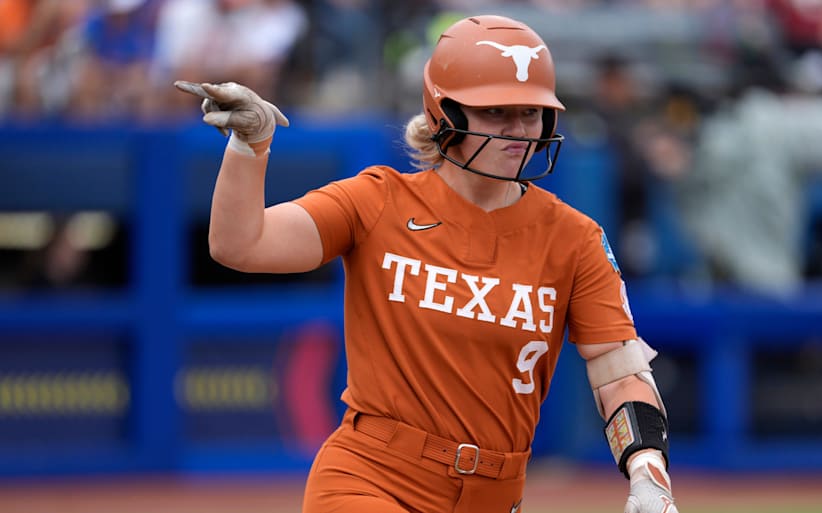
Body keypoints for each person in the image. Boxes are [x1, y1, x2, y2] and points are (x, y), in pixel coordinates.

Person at [176, 14, 679, 513]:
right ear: (446, 114)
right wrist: (248, 146)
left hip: (497, 494)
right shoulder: (377, 201)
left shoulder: (576, 238)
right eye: (496, 112)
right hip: (371, 478)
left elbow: (619, 375)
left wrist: (648, 473)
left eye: (530, 113)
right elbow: (241, 244)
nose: (518, 130)